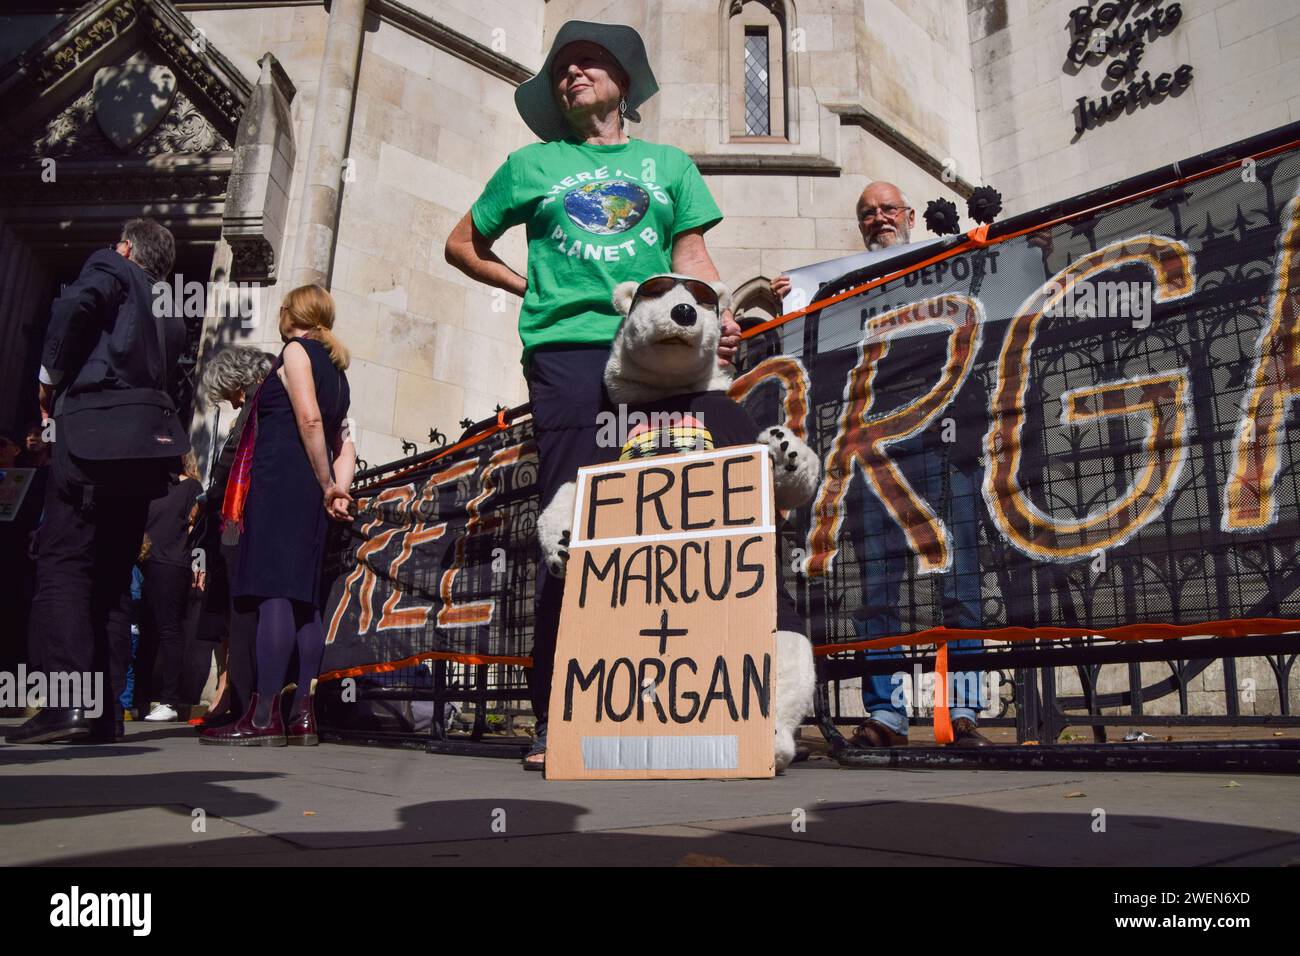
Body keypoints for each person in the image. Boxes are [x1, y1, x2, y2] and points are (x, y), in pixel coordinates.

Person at [444, 20, 740, 770]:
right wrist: (529, 286)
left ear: (622, 81)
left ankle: (665, 709)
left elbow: (691, 252)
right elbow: (462, 243)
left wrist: (715, 307)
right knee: (567, 522)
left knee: (668, 514)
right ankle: (559, 717)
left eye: (588, 63)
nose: (572, 74)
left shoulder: (667, 164)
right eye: (562, 69)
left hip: (658, 353)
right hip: (566, 352)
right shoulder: (532, 164)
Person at [772, 182, 992, 748]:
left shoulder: (944, 256)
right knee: (877, 585)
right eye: (868, 213)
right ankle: (887, 715)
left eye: (888, 209)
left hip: (947, 437)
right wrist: (793, 304)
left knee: (960, 577)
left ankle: (960, 711)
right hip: (872, 444)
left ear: (910, 216)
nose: (878, 219)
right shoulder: (843, 287)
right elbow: (816, 356)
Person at [6, 218, 188, 745]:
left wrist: (49, 379)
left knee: (63, 565)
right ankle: (103, 715)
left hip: (90, 443)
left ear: (127, 247)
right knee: (110, 581)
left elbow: (73, 306)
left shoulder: (110, 266)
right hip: (142, 456)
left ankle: (65, 705)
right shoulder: (172, 309)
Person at [201, 285, 355, 746]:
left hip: (281, 485)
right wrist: (336, 489)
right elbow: (345, 440)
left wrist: (328, 483)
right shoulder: (339, 371)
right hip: (312, 492)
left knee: (273, 594)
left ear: (291, 314)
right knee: (304, 600)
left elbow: (309, 421)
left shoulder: (294, 352)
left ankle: (264, 714)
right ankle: (301, 715)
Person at [191, 345, 273, 730]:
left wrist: (208, 496)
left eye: (231, 394)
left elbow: (229, 465)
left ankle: (239, 701)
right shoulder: (263, 399)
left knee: (240, 614)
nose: (234, 403)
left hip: (239, 523)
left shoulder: (258, 400)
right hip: (243, 522)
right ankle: (234, 698)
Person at [138, 452, 203, 721]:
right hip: (144, 560)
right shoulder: (150, 485)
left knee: (168, 630)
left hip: (172, 562)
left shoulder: (190, 487)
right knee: (144, 630)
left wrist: (199, 565)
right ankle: (138, 696)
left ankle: (170, 700)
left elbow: (197, 527)